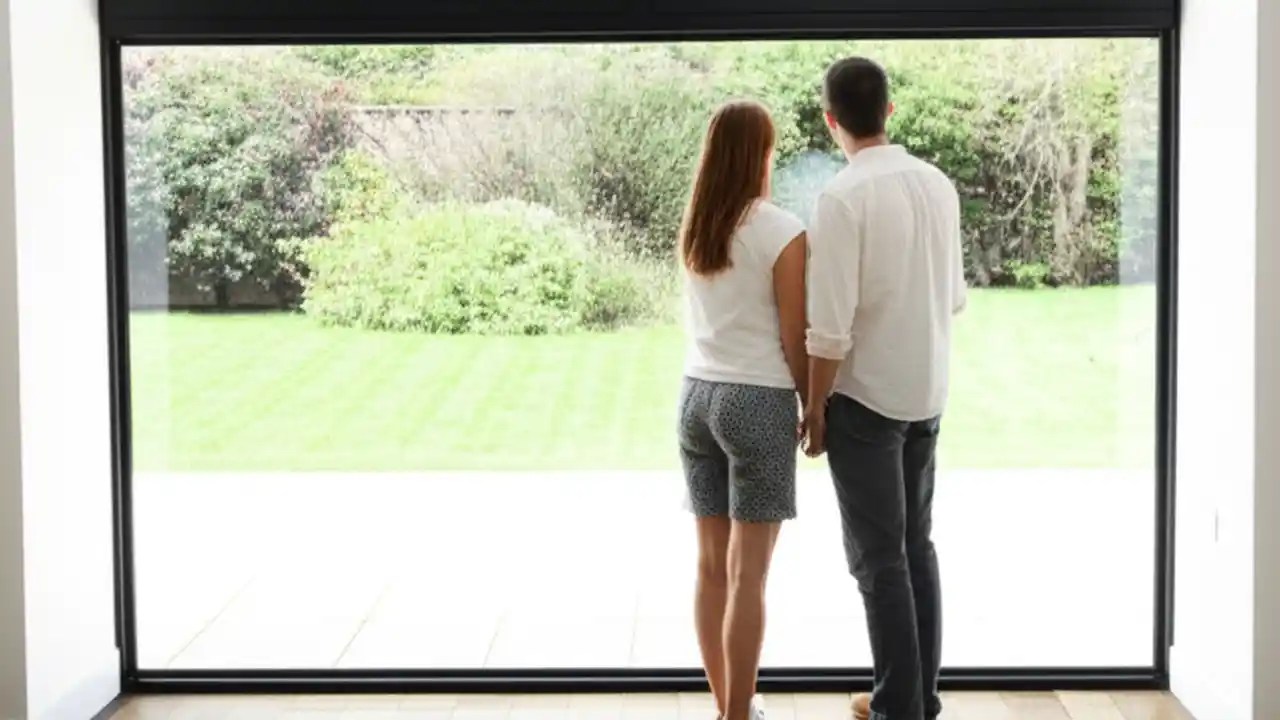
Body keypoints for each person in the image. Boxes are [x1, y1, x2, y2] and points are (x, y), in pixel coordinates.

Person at [800, 57, 967, 720]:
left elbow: (829, 330)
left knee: (878, 562)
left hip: (866, 401)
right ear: (890, 112)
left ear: (830, 119)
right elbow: (952, 297)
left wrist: (813, 408)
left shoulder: (843, 198)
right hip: (927, 391)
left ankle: (898, 706)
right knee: (915, 545)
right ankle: (917, 699)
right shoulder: (937, 184)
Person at [677, 100, 808, 720]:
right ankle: (737, 714)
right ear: (761, 154)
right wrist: (815, 406)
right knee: (748, 573)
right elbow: (794, 333)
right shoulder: (780, 230)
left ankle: (728, 704)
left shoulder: (699, 227)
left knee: (711, 567)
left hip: (696, 399)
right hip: (756, 402)